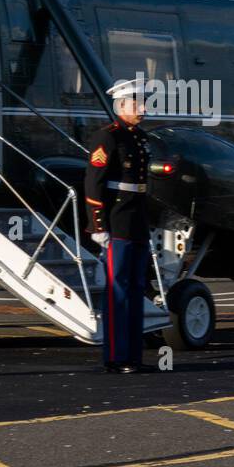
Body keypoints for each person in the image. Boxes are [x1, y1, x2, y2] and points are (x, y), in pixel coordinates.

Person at [84, 78, 153, 373]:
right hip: (117, 221)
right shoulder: (108, 137)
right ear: (122, 105)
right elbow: (94, 182)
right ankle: (116, 356)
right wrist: (97, 225)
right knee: (118, 291)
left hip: (136, 220)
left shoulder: (139, 138)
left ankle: (133, 355)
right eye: (138, 102)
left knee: (137, 288)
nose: (144, 107)